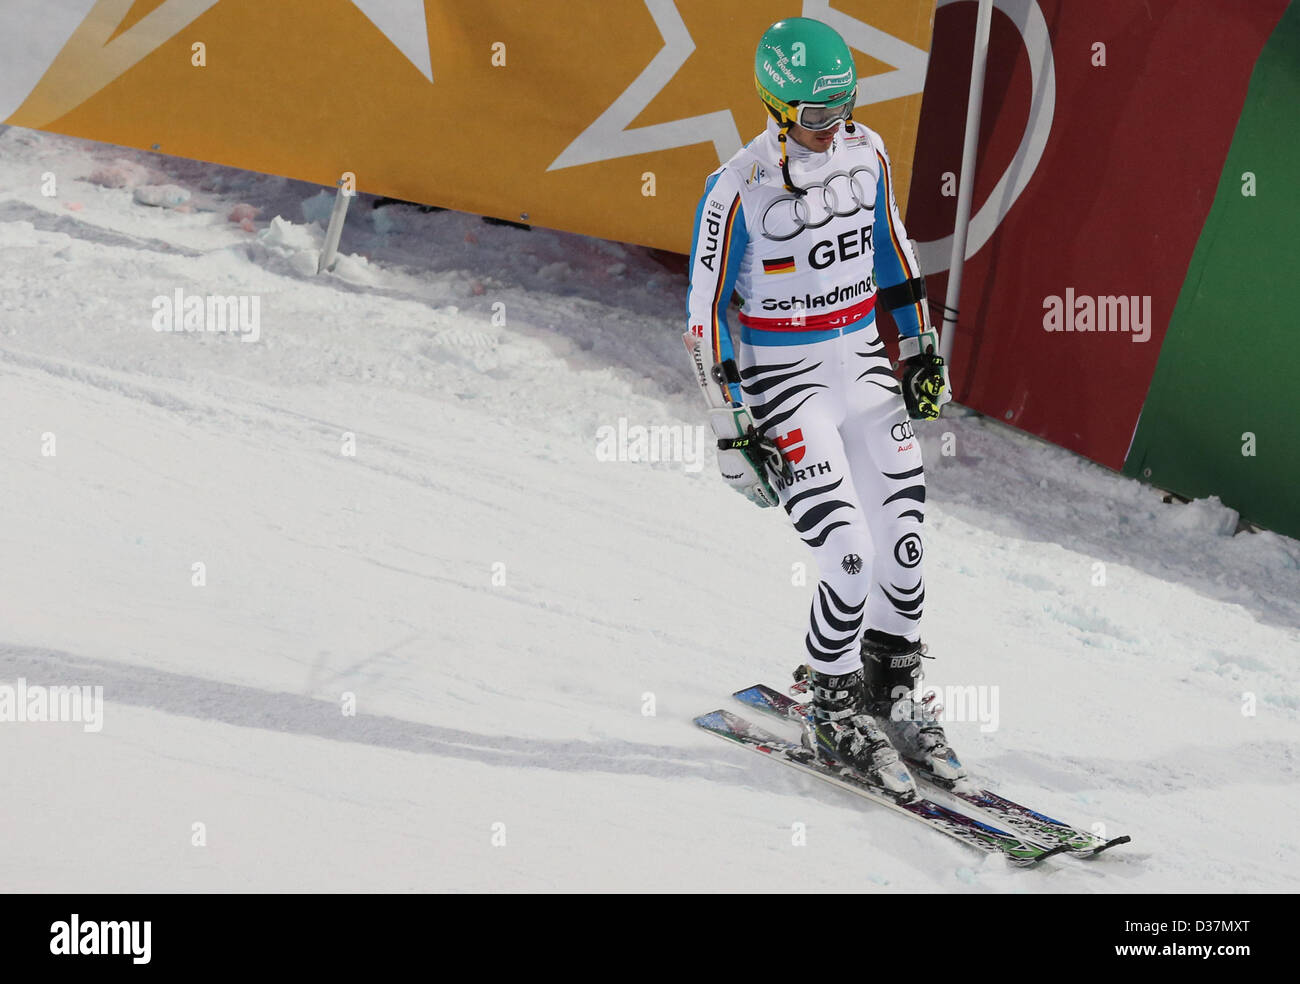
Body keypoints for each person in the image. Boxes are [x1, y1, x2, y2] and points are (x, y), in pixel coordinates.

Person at [684, 17, 962, 795]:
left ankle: (891, 694)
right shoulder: (736, 187)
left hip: (863, 364)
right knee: (847, 556)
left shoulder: (866, 151)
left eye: (843, 105)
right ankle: (832, 705)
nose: (831, 126)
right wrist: (731, 432)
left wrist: (920, 347)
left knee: (903, 545)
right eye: (814, 115)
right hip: (787, 379)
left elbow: (894, 252)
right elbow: (703, 318)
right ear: (777, 108)